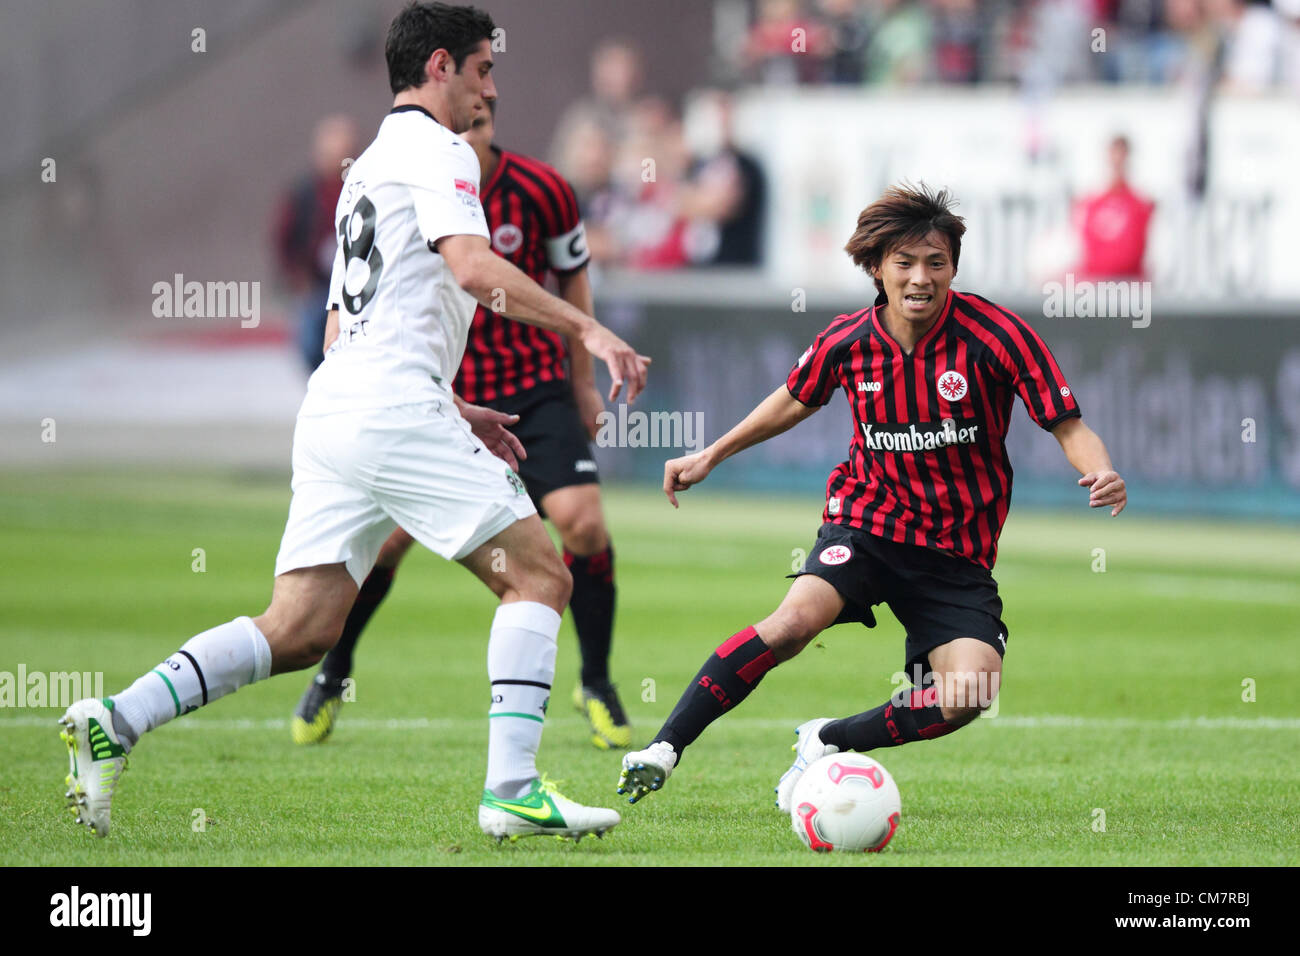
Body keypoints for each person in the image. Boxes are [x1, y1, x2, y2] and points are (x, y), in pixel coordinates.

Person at [58, 1, 649, 844]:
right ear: (439, 65)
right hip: (387, 404)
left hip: (342, 404)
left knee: (298, 627)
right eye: (484, 67)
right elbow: (476, 267)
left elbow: (345, 326)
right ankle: (512, 790)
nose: (492, 86)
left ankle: (113, 720)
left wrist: (451, 405)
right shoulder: (439, 150)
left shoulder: (367, 165)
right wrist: (586, 327)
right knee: (540, 578)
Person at [616, 184, 1126, 815]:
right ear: (877, 267)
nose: (920, 278)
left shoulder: (997, 335)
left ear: (953, 269)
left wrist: (1100, 471)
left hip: (955, 553)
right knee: (793, 623)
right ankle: (662, 750)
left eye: (935, 263)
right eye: (905, 263)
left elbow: (1067, 422)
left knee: (967, 692)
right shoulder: (848, 340)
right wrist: (710, 454)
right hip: (866, 523)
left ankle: (828, 738)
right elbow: (793, 400)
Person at [291, 100, 633, 752]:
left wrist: (583, 381)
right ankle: (334, 669)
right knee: (387, 544)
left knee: (585, 525)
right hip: (440, 395)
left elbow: (573, 273)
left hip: (535, 391)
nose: (466, 136)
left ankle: (596, 682)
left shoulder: (542, 189)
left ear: (489, 124)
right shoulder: (415, 182)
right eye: (460, 126)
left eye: (478, 123)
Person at [272, 115, 358, 373]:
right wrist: (296, 277)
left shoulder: (359, 188)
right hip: (316, 285)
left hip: (352, 286)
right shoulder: (304, 193)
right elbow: (283, 237)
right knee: (311, 345)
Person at [1074, 135, 1155, 280]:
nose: (1117, 162)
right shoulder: (1090, 204)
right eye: (1113, 156)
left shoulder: (1142, 206)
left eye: (1121, 156)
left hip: (1131, 287)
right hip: (1094, 286)